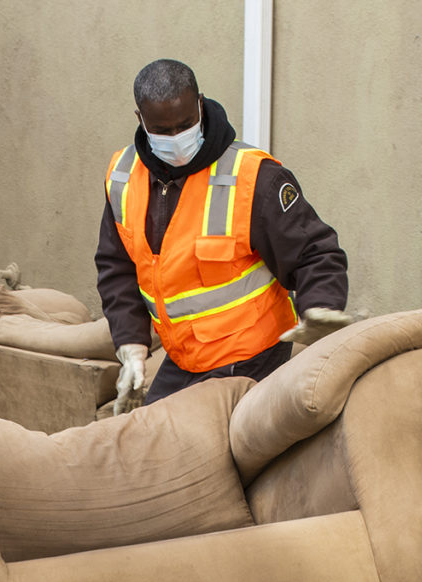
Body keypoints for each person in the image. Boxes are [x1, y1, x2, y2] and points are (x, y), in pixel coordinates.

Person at [96, 58, 351, 413]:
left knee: (209, 454)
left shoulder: (253, 179)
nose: (176, 139)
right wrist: (132, 348)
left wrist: (320, 306)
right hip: (186, 360)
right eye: (162, 130)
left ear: (200, 104)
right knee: (143, 443)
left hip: (254, 358)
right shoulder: (124, 177)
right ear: (140, 119)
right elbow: (117, 268)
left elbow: (316, 253)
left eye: (185, 125)